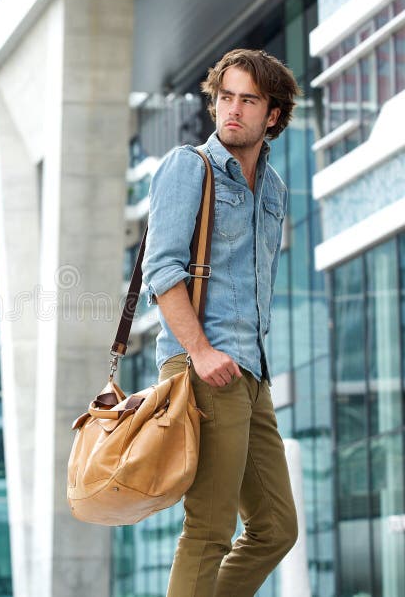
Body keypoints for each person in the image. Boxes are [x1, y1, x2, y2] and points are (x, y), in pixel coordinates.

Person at [141, 49, 301, 597]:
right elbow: (162, 270)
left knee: (276, 528)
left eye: (248, 100)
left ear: (272, 114)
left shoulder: (274, 189)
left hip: (250, 372)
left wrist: (249, 368)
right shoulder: (190, 167)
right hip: (202, 364)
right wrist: (201, 352)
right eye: (225, 97)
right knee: (210, 528)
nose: (232, 109)